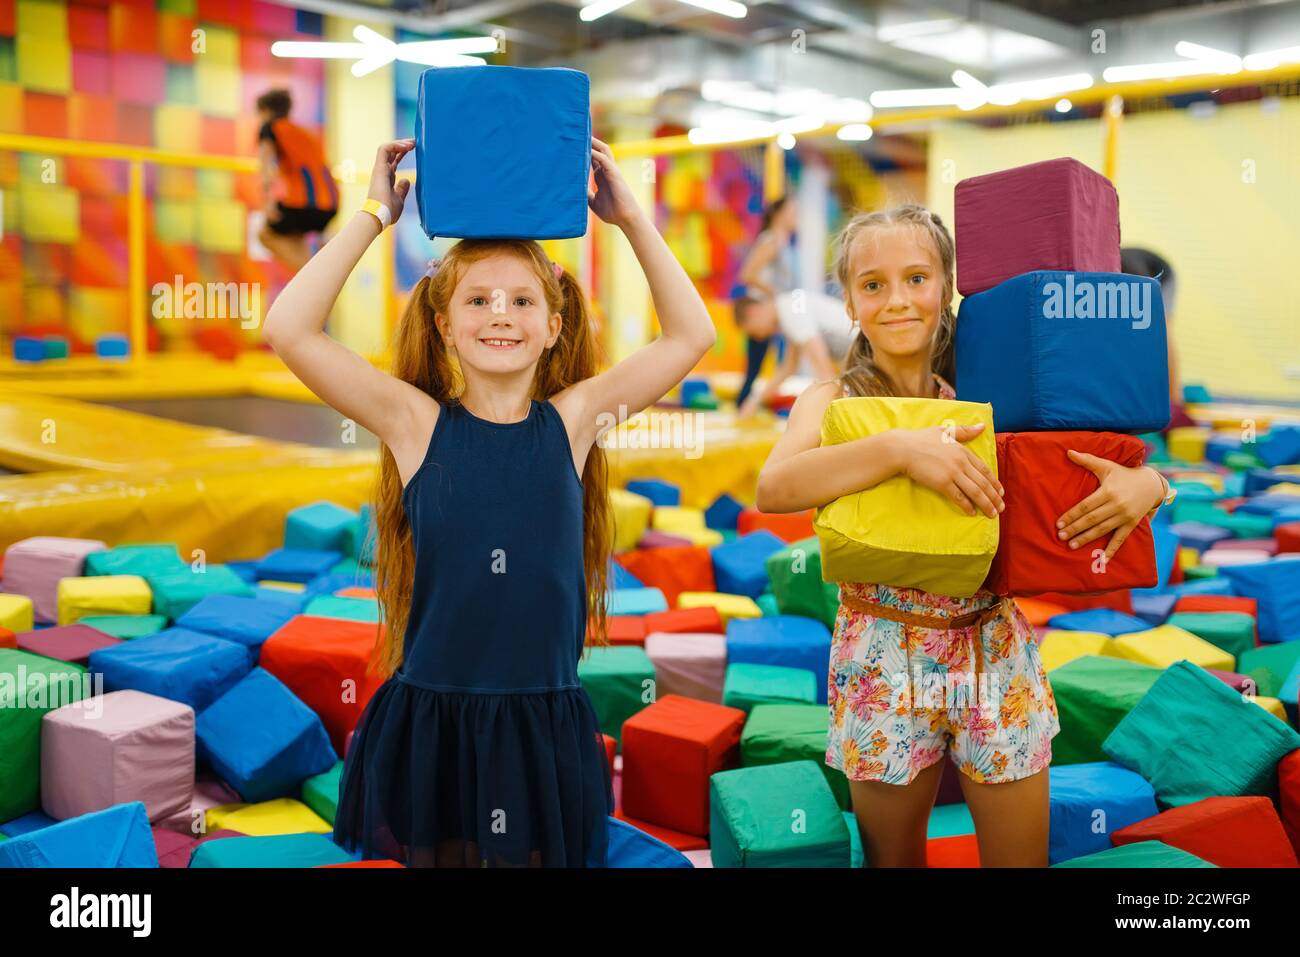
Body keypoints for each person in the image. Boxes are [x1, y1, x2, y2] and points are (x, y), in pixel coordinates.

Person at [262, 137, 716, 866]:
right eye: (478, 299)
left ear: (553, 325)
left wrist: (630, 216)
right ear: (445, 327)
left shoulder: (573, 421)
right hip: (436, 716)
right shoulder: (415, 423)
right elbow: (287, 328)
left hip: (541, 721)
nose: (500, 315)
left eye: (522, 300)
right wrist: (375, 213)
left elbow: (693, 333)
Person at [755, 205, 1173, 867]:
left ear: (947, 287)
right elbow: (774, 487)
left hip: (991, 642)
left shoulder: (992, 389)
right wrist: (898, 449)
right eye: (873, 285)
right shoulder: (831, 400)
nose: (897, 300)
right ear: (850, 302)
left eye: (917, 278)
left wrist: (1150, 485)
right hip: (881, 650)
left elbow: (1108, 446)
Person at [735, 287, 857, 416]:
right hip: (859, 350)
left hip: (862, 346)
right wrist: (753, 402)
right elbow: (788, 368)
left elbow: (824, 370)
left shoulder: (790, 312)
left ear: (752, 312)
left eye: (753, 332)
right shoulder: (788, 307)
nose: (759, 337)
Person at [255, 89, 339, 271]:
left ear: (266, 111)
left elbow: (266, 169)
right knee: (294, 238)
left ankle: (311, 277)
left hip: (305, 204)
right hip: (331, 204)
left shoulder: (270, 128)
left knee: (264, 235)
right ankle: (311, 276)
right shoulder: (304, 134)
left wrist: (267, 205)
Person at [734, 196, 798, 408]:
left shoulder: (783, 241)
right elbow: (747, 274)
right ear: (778, 215)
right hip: (763, 311)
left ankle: (750, 403)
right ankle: (743, 405)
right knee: (755, 367)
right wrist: (775, 294)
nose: (795, 217)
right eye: (791, 212)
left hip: (773, 311)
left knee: (773, 363)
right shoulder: (771, 240)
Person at [1120, 246, 1192, 430]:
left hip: (1161, 275)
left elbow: (1162, 339)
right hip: (1135, 272)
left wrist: (1173, 400)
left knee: (1161, 330)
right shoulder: (1108, 282)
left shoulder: (1139, 281)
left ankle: (1174, 398)